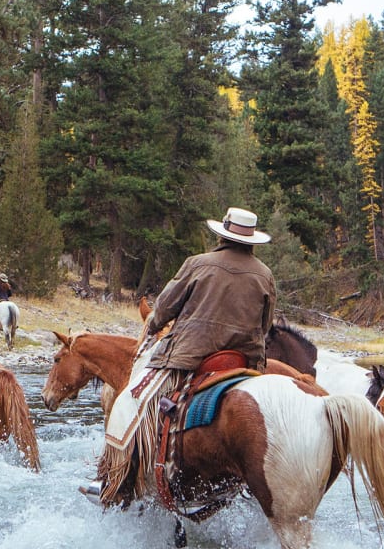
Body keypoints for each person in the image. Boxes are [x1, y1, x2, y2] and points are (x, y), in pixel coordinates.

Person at [85, 207, 277, 507]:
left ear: (222, 235)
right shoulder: (265, 274)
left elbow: (163, 308)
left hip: (188, 358)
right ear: (251, 240)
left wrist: (155, 327)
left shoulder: (198, 264)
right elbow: (265, 326)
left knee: (132, 402)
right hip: (242, 363)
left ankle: (114, 482)